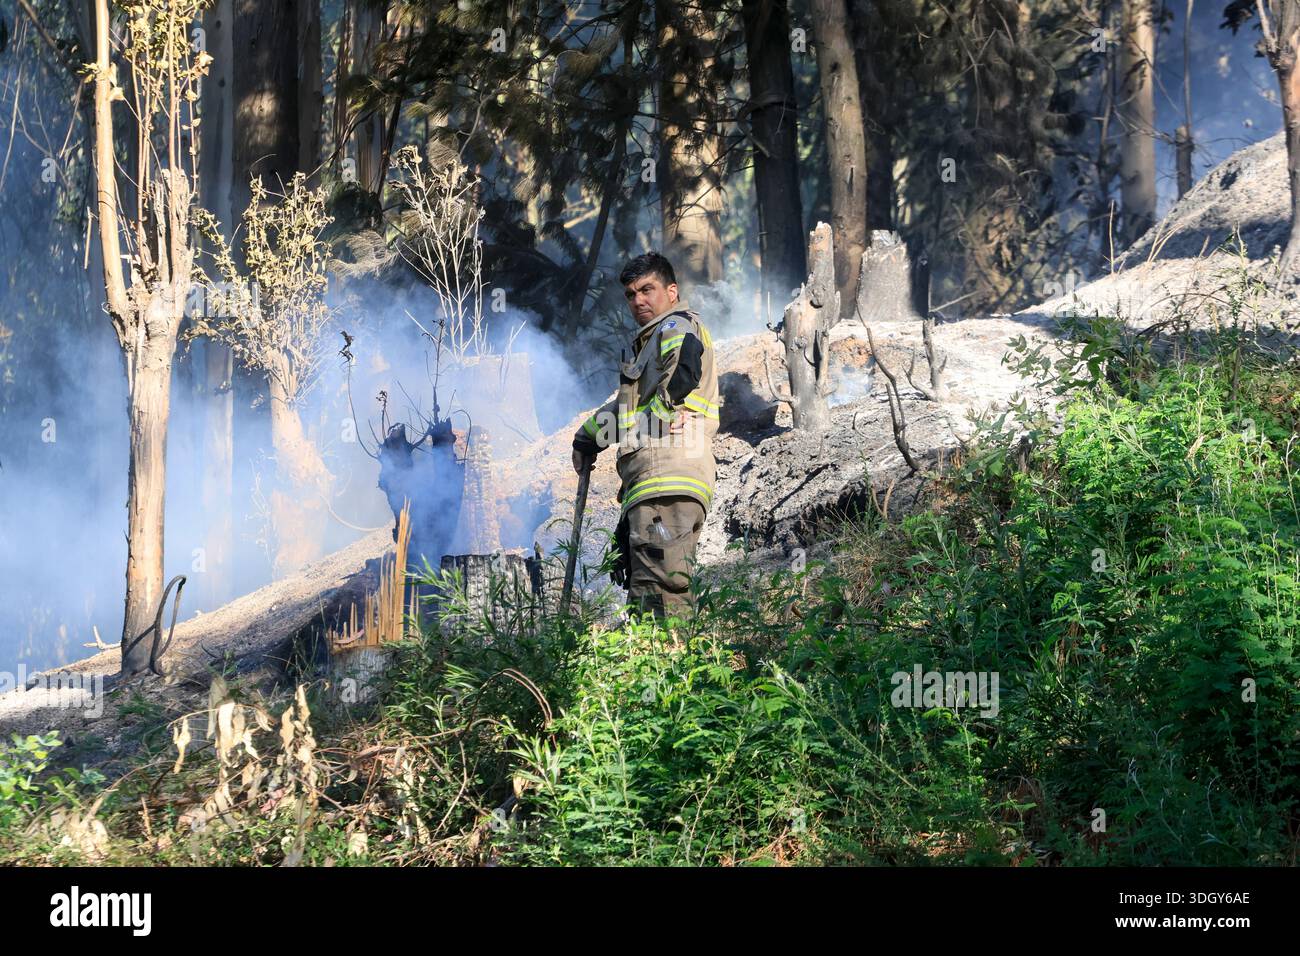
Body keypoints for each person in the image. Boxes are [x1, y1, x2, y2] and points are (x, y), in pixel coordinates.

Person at [571, 252, 720, 619]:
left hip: (666, 478)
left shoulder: (675, 327)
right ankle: (652, 667)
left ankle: (671, 668)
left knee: (663, 591)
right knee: (647, 589)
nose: (638, 300)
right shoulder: (652, 342)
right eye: (631, 294)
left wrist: (658, 416)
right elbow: (626, 410)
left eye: (647, 289)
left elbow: (681, 375)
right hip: (654, 482)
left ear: (671, 291)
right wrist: (587, 437)